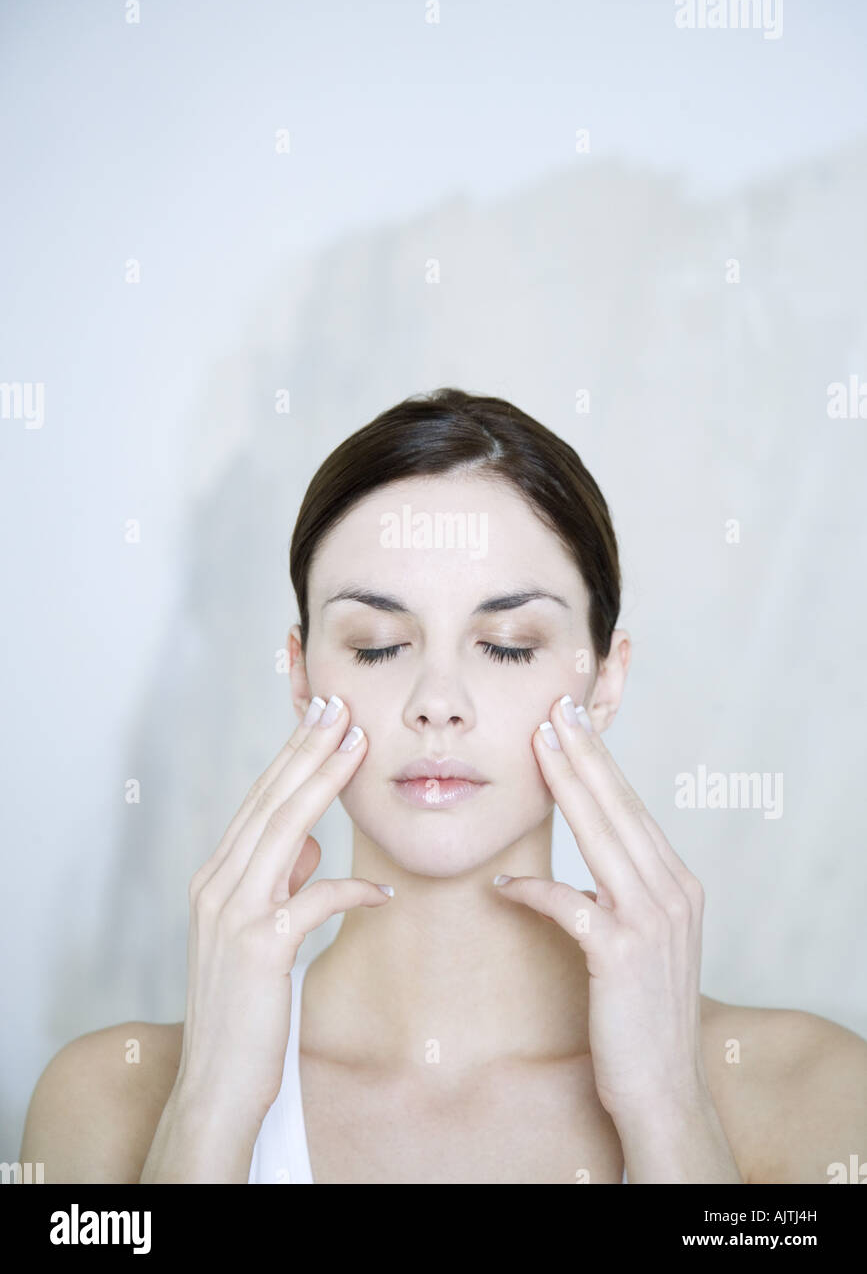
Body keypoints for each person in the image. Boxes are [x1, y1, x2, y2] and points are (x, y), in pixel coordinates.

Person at [20, 388, 867, 1183]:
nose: (437, 705)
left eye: (505, 644)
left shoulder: (809, 1091)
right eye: (379, 644)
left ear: (603, 681)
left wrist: (670, 1109)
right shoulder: (109, 1100)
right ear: (299, 672)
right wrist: (207, 1109)